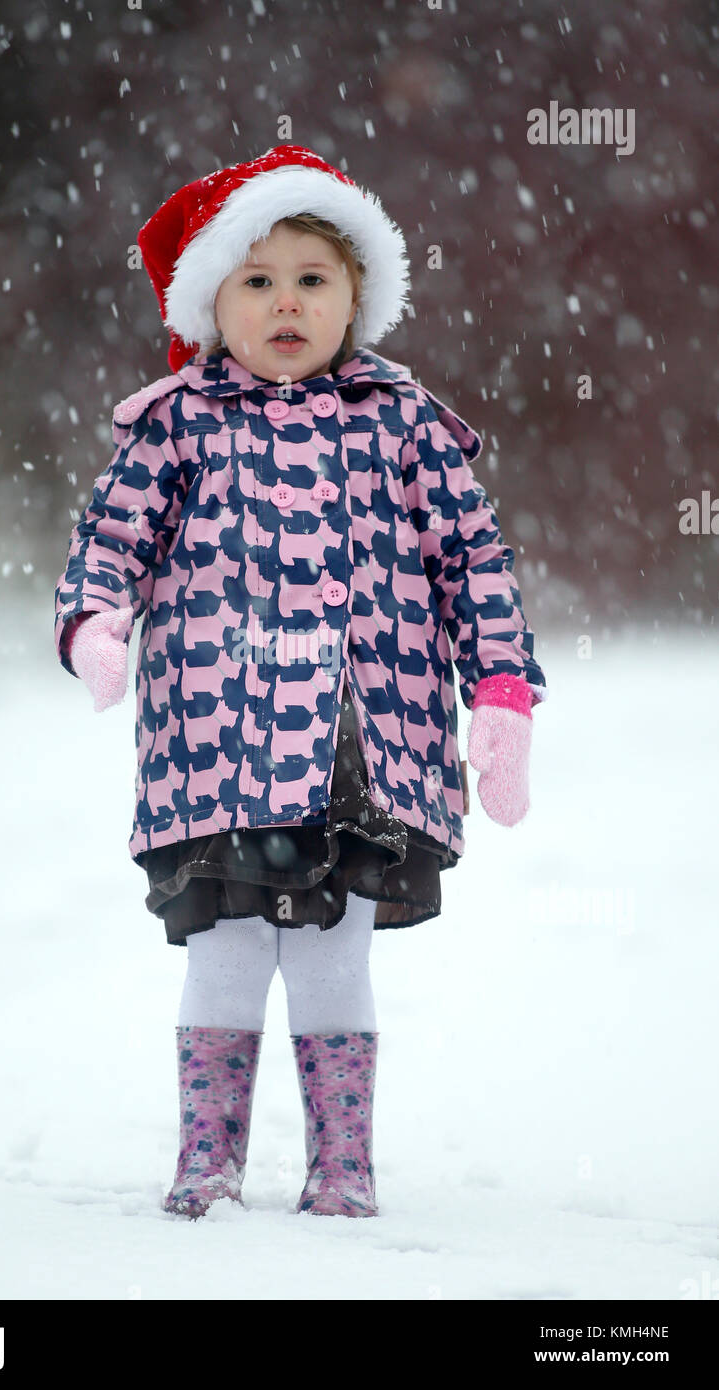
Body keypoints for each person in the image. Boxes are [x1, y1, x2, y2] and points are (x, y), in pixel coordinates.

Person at [53, 143, 547, 1221]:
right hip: (215, 741)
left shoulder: (404, 422)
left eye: (312, 280)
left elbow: (473, 564)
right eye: (257, 279)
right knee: (226, 954)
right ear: (213, 302)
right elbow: (111, 539)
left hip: (358, 741)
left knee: (332, 956)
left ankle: (341, 1165)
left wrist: (499, 694)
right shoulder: (178, 422)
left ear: (355, 296)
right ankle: (208, 1158)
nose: (286, 304)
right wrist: (95, 620)